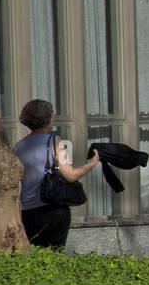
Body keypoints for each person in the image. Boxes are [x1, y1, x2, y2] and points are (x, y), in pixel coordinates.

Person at [14, 99, 99, 249]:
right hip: (53, 209)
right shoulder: (55, 141)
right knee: (54, 254)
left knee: (35, 254)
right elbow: (70, 175)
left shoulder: (19, 146)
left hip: (28, 211)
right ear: (48, 119)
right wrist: (91, 164)